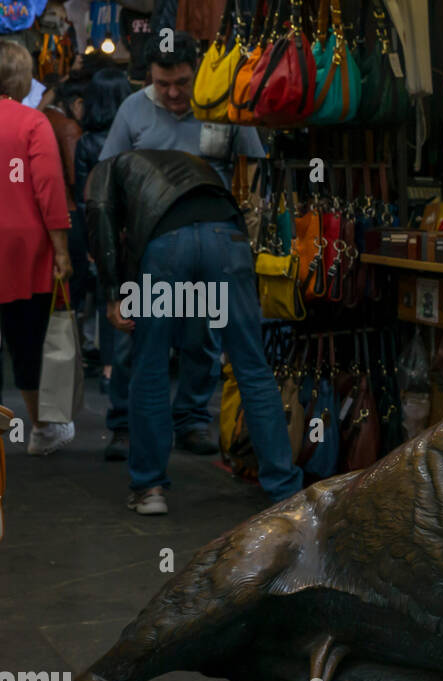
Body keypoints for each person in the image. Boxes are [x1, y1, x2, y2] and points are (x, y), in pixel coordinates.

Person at [85, 148, 302, 514]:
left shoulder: (105, 170)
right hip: (227, 240)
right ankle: (285, 490)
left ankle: (149, 488)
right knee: (252, 366)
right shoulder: (183, 162)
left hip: (167, 246)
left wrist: (111, 295)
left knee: (150, 365)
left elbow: (101, 216)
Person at [98, 30, 265, 460]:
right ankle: (123, 423)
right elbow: (107, 178)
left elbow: (255, 169)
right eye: (163, 83)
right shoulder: (133, 111)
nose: (173, 93)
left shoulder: (221, 108)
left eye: (182, 83)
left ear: (197, 74)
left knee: (201, 336)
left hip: (210, 240)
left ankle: (191, 419)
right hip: (146, 244)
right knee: (133, 340)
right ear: (149, 76)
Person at [0, 38, 75, 455]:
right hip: (24, 252)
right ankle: (42, 427)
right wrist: (61, 249)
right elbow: (49, 189)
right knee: (28, 339)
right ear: (24, 76)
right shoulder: (32, 123)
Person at [75, 67, 134, 460]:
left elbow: (84, 197)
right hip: (135, 231)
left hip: (100, 230)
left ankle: (111, 369)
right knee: (129, 304)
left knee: (106, 299)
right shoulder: (133, 138)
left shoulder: (86, 144)